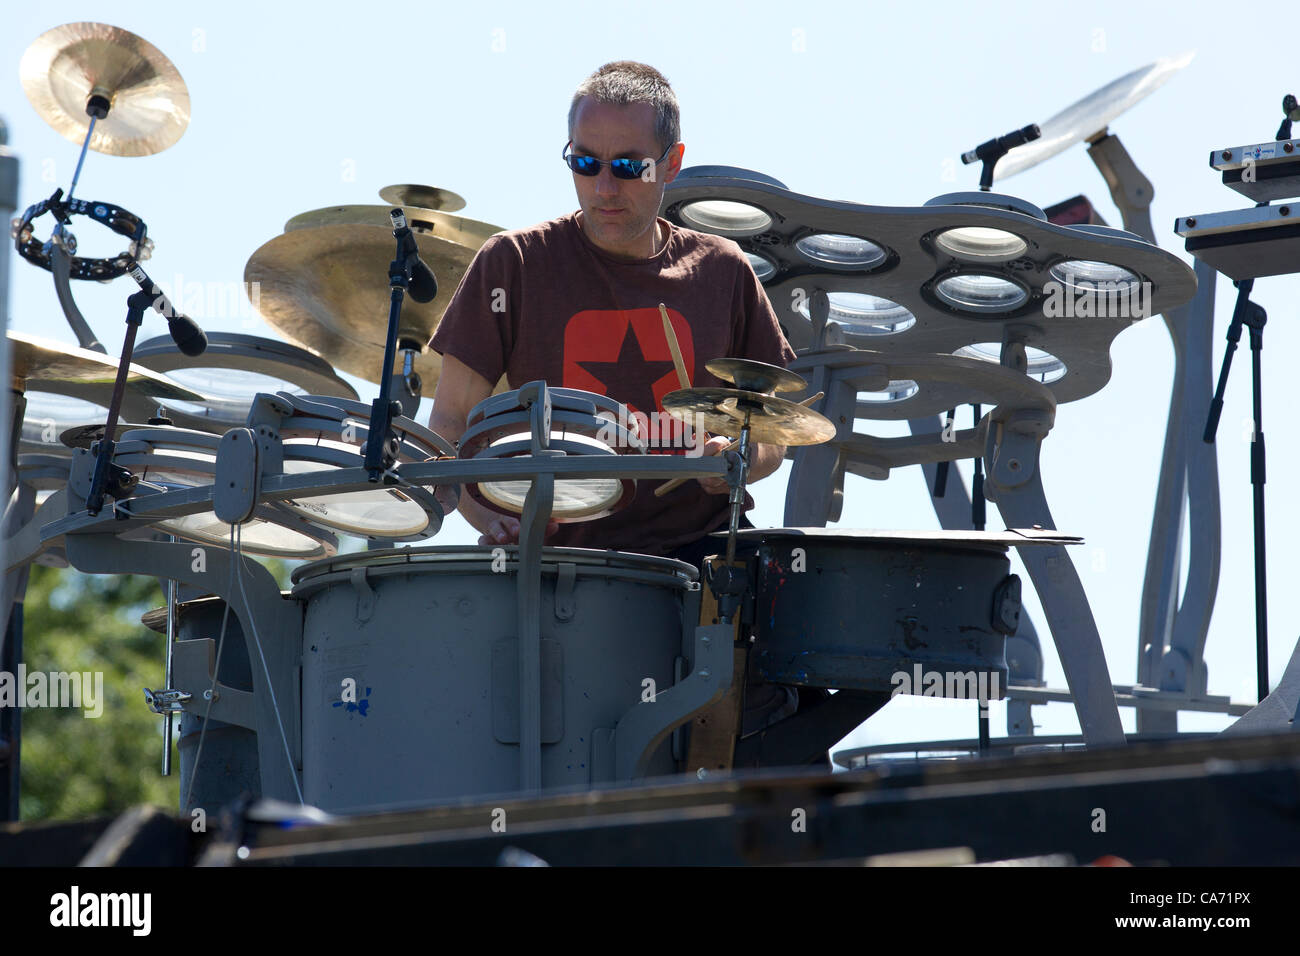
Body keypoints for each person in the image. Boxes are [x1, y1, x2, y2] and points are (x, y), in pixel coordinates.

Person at [428, 60, 795, 573]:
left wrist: (738, 461)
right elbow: (446, 432)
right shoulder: (512, 262)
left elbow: (774, 433)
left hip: (698, 559)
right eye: (585, 163)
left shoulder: (724, 271)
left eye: (628, 167)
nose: (604, 188)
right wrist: (484, 518)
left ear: (672, 164)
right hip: (552, 556)